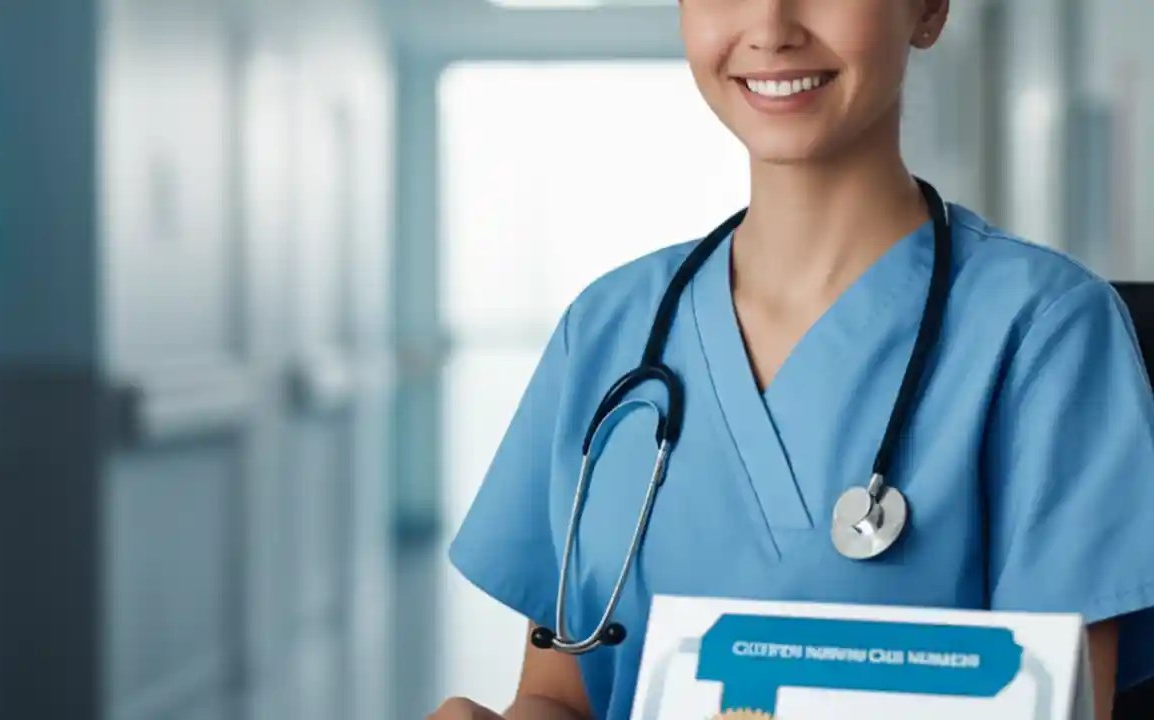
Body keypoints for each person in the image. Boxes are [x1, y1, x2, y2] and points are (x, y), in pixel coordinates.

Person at [431, 1, 1154, 718]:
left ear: (928, 10)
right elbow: (560, 695)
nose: (772, 28)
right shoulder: (608, 329)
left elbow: (1059, 703)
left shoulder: (1044, 331)